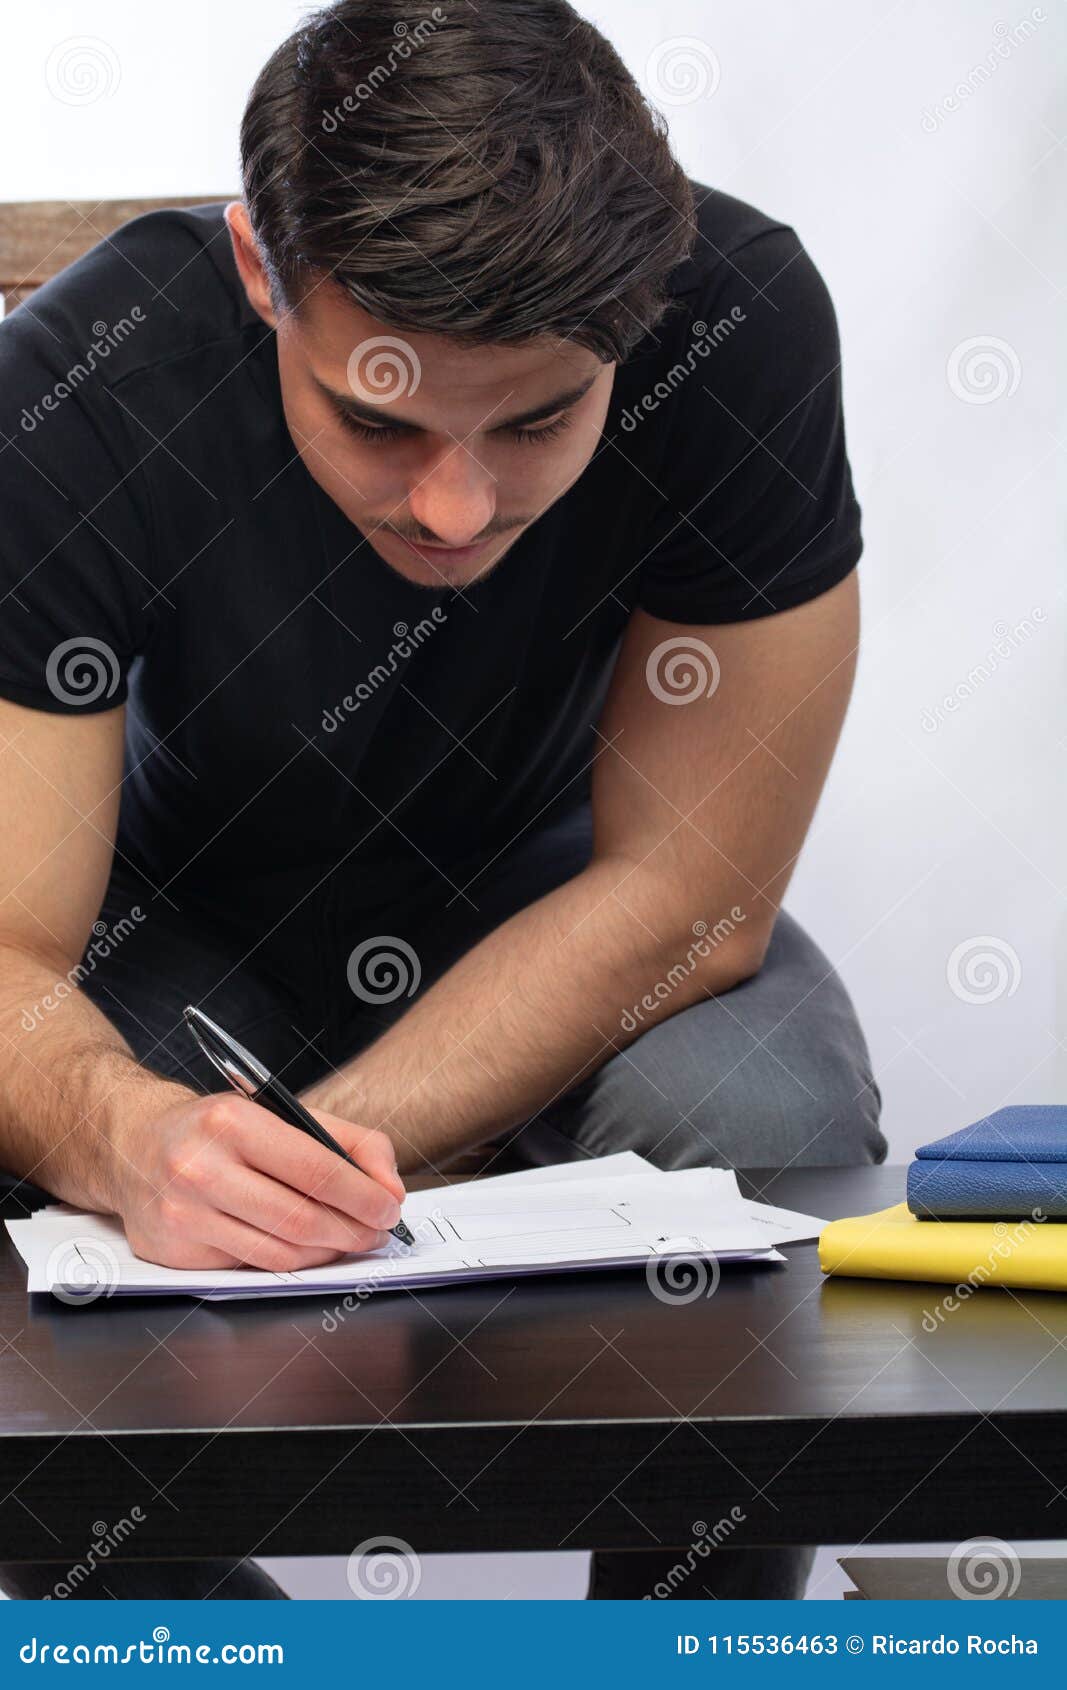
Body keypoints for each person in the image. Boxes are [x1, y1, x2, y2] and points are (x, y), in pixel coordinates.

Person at [0, 0, 884, 1600]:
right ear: (262, 276)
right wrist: (132, 1136)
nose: (458, 506)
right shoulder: (75, 387)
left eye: (538, 419)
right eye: (379, 418)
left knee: (770, 1117)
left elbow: (697, 889)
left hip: (577, 892)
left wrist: (345, 1147)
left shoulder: (742, 320)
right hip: (183, 929)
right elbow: (3, 955)